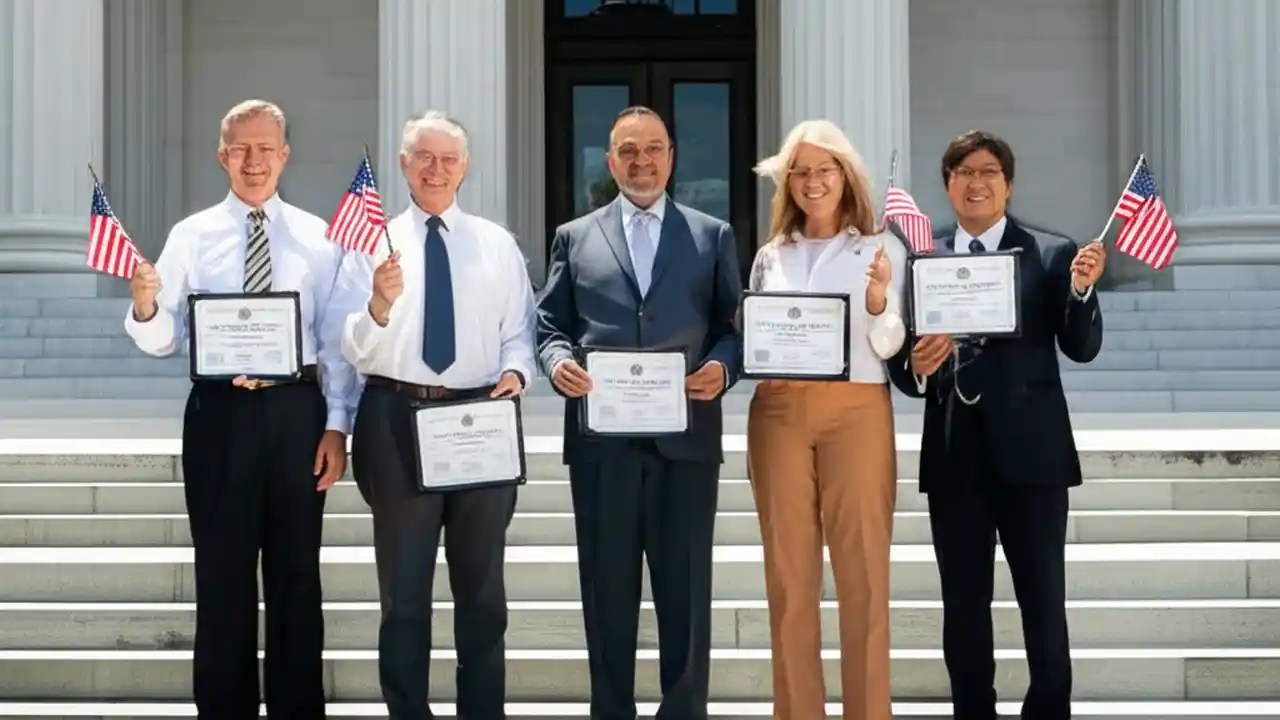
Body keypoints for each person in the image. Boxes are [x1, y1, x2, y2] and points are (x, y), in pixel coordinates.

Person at [124, 98, 355, 717]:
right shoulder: (191, 236)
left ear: (284, 155)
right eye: (240, 149)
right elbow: (162, 336)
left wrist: (337, 426)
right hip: (220, 417)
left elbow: (335, 342)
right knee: (221, 576)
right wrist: (145, 304)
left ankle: (296, 709)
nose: (253, 161)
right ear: (221, 156)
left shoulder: (320, 237)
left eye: (265, 149)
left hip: (296, 414)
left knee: (296, 577)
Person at [886, 130, 1106, 720]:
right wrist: (914, 364)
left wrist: (1082, 290)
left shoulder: (1052, 252)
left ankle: (1048, 710)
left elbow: (1081, 346)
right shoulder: (920, 254)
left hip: (1033, 458)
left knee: (1042, 600)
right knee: (962, 605)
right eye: (962, 172)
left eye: (987, 172)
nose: (975, 182)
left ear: (1007, 184)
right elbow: (903, 364)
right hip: (956, 454)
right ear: (948, 184)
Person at [535, 105, 742, 719]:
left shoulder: (713, 234)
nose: (641, 161)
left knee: (685, 590)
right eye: (628, 151)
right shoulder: (575, 236)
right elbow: (549, 325)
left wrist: (724, 368)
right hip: (602, 443)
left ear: (672, 156)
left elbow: (734, 328)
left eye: (653, 149)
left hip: (686, 441)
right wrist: (555, 364)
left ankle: (683, 709)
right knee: (606, 591)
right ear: (609, 160)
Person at [330, 110, 537, 719]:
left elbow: (520, 332)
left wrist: (516, 373)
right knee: (405, 593)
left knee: (482, 592)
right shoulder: (370, 243)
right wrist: (378, 304)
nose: (436, 169)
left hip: (479, 418)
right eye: (424, 156)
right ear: (403, 163)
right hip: (395, 417)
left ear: (465, 167)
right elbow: (349, 348)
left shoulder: (496, 244)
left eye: (448, 159)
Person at [745, 119, 906, 720]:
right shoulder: (771, 256)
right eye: (802, 172)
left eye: (825, 169)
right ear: (788, 183)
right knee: (790, 577)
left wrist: (875, 301)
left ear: (846, 176)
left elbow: (891, 344)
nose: (814, 182)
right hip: (780, 411)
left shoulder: (880, 249)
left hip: (857, 411)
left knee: (863, 572)